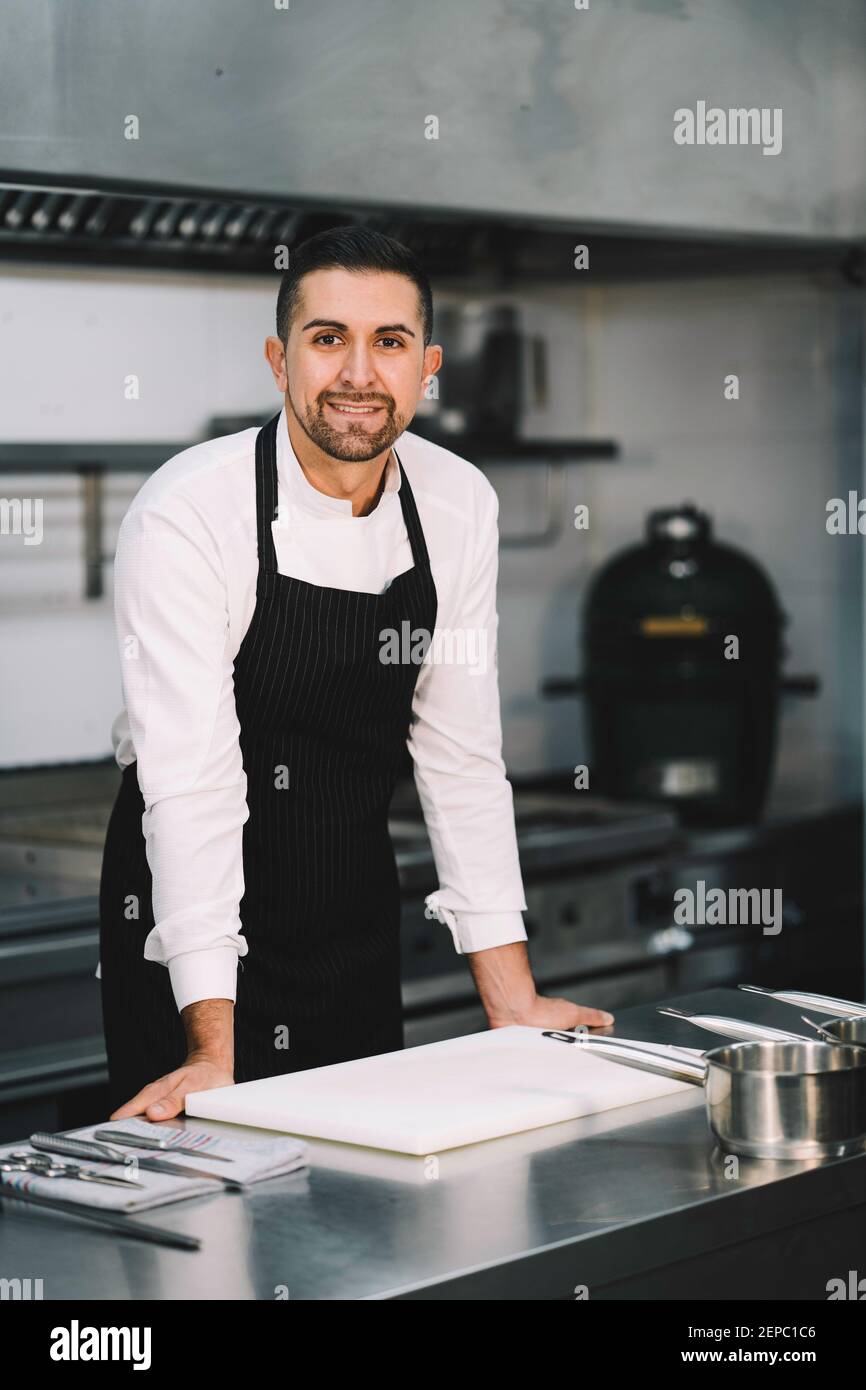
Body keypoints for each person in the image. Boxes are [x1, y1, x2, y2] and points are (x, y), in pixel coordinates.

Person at [98, 225, 613, 1120]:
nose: (358, 375)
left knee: (359, 1204)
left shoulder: (456, 503)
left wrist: (513, 999)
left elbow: (460, 760)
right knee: (208, 1215)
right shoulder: (189, 511)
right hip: (186, 920)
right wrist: (212, 1049)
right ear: (279, 359)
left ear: (429, 365)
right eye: (327, 338)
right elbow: (192, 787)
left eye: (390, 342)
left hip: (351, 894)